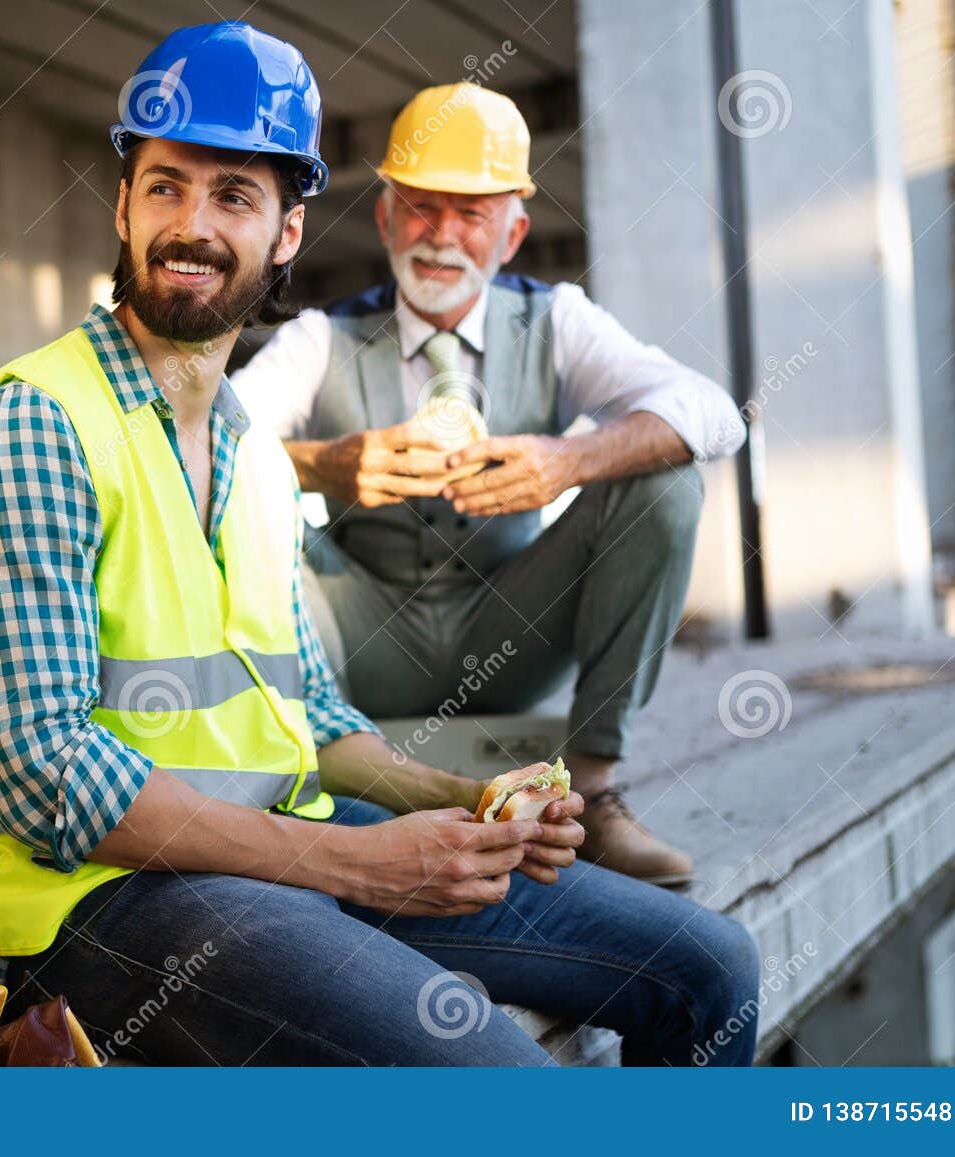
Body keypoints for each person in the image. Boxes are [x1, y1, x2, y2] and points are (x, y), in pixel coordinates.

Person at [0, 23, 759, 1066]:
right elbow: (46, 774)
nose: (191, 226)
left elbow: (305, 708)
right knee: (505, 1076)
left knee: (709, 971)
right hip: (94, 906)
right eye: (165, 187)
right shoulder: (32, 426)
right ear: (121, 208)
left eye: (234, 196)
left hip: (277, 844)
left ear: (287, 233)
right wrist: (352, 863)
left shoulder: (252, 450)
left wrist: (459, 805)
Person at [233, 82, 749, 887]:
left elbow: (714, 413)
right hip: (356, 633)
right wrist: (321, 463)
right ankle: (299, 793)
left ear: (511, 232)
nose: (443, 236)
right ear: (385, 216)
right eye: (422, 208)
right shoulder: (320, 338)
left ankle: (595, 792)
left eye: (472, 213)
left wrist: (567, 460)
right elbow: (201, 442)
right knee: (244, 507)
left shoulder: (557, 320)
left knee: (664, 482)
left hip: (510, 622)